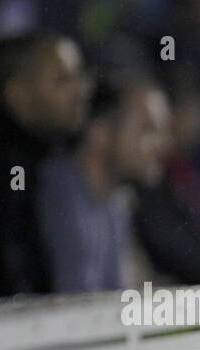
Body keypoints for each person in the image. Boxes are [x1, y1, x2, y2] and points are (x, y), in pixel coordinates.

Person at [0, 31, 91, 301]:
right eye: (62, 80)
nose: (81, 92)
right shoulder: (3, 170)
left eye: (79, 76)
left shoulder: (42, 159)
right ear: (18, 94)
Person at [36, 75, 171, 293]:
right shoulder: (58, 190)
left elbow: (119, 295)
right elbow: (75, 309)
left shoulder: (117, 200)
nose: (162, 146)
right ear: (100, 133)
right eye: (148, 130)